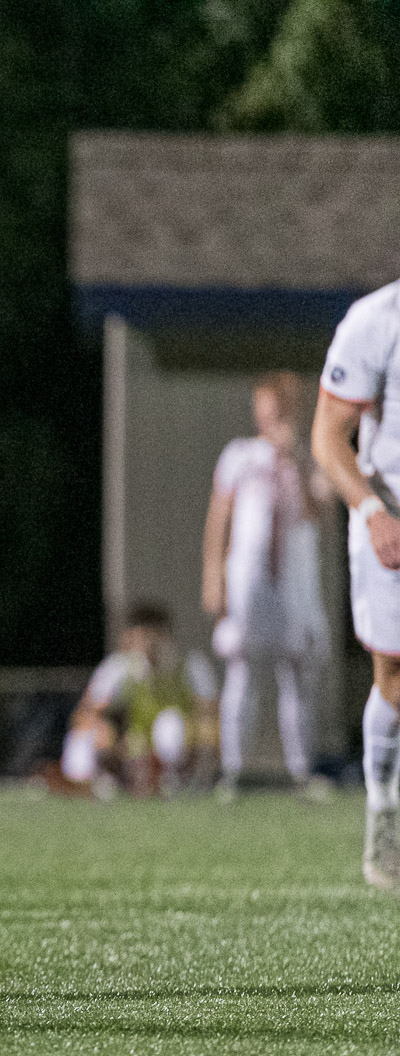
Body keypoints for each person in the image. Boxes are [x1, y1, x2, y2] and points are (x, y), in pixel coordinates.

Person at [202, 371, 332, 803]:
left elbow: (317, 512)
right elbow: (220, 515)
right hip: (249, 582)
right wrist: (213, 574)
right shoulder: (240, 455)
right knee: (242, 668)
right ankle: (233, 770)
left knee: (296, 672)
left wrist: (294, 460)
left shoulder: (308, 456)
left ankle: (301, 770)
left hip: (292, 584)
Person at [312, 280, 400, 888]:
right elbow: (327, 436)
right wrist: (371, 512)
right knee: (395, 679)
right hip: (390, 522)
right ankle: (384, 810)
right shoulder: (376, 320)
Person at [58, 602, 217, 799]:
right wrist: (109, 738)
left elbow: (208, 715)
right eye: (143, 635)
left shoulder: (191, 665)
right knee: (84, 737)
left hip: (179, 748)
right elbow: (86, 713)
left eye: (156, 635)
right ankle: (93, 786)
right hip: (133, 745)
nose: (150, 643)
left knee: (171, 723)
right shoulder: (119, 667)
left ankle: (175, 782)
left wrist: (201, 751)